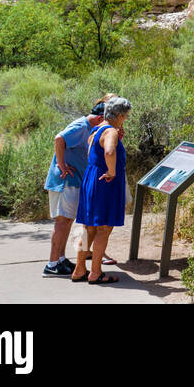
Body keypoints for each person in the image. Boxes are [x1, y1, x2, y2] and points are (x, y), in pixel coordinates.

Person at [42, 95, 112, 277]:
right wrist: (61, 164)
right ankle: (52, 264)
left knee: (67, 221)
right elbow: (59, 139)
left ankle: (60, 260)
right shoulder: (82, 126)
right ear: (99, 119)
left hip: (74, 181)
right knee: (62, 221)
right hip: (66, 181)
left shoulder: (90, 128)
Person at [73, 97, 131, 284]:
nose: (126, 119)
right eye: (126, 116)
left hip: (91, 180)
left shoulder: (96, 130)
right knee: (103, 229)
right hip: (105, 182)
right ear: (120, 115)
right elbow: (109, 152)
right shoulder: (110, 132)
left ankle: (79, 269)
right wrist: (112, 172)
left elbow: (96, 152)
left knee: (89, 228)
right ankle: (96, 272)